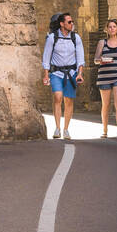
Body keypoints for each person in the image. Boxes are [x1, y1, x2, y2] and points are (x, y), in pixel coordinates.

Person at [42, 11, 84, 139]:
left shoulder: (76, 38)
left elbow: (80, 58)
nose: (72, 24)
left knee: (69, 101)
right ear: (62, 24)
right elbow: (46, 57)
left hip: (71, 73)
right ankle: (57, 128)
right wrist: (46, 75)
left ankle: (66, 129)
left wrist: (80, 74)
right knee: (58, 97)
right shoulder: (52, 38)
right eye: (69, 22)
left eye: (72, 22)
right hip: (56, 73)